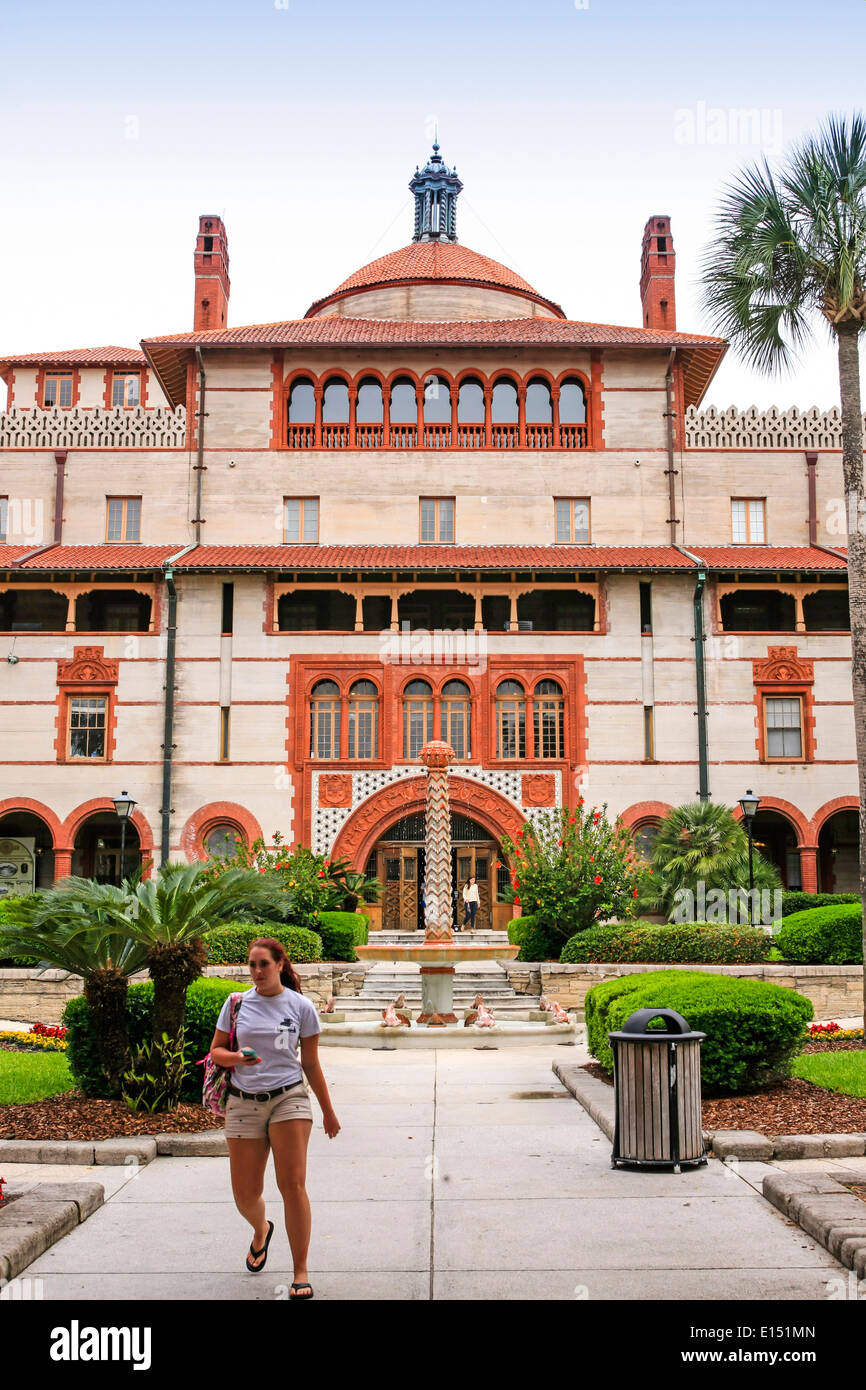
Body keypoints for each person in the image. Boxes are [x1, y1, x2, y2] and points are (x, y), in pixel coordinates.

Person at [208, 937, 340, 1300]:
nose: (256, 971)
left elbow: (310, 1063)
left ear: (280, 965)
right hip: (243, 1102)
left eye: (263, 964)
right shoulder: (236, 1004)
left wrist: (328, 1111)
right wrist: (237, 1059)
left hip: (289, 1099)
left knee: (292, 1185)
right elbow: (216, 1052)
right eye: (252, 965)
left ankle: (301, 1272)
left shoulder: (300, 1007)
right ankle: (261, 1228)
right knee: (245, 1194)